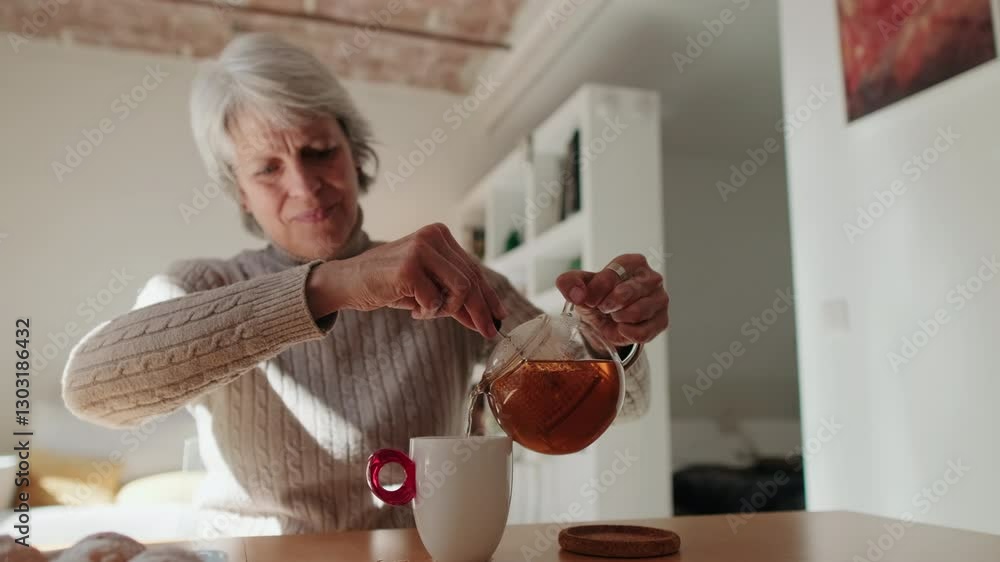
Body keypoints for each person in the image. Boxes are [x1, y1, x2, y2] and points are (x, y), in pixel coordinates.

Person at [61, 33, 670, 537]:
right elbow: (91, 389)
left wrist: (611, 336)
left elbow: (629, 404)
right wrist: (330, 287)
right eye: (267, 168)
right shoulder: (206, 286)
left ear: (356, 154)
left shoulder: (449, 279)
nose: (304, 186)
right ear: (239, 191)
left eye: (320, 151)